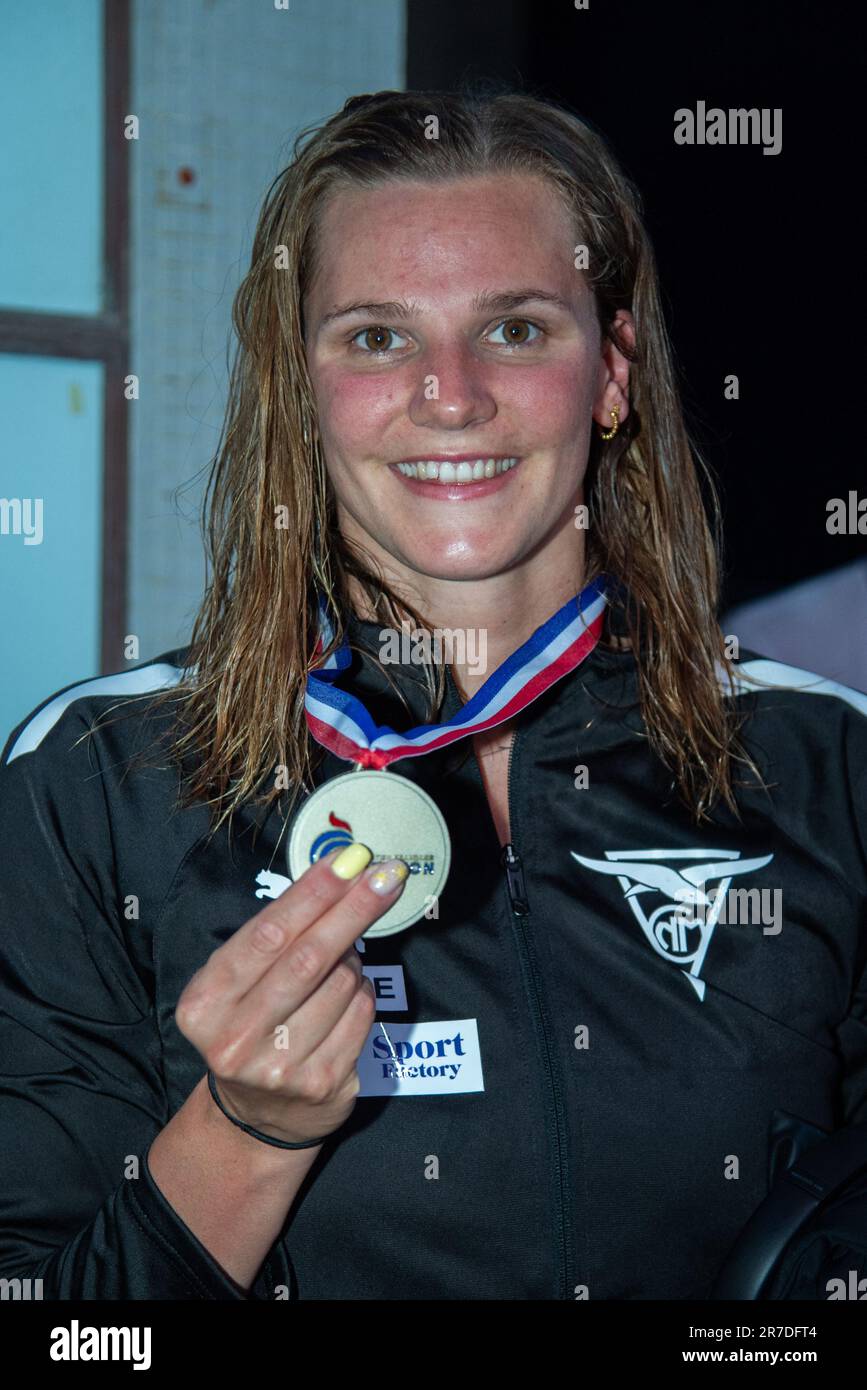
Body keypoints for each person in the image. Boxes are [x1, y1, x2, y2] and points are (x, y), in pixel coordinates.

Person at [1, 88, 865, 1302]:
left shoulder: (824, 761)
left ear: (611, 372)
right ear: (298, 383)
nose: (449, 395)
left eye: (515, 329)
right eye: (375, 336)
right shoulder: (97, 777)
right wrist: (246, 1134)